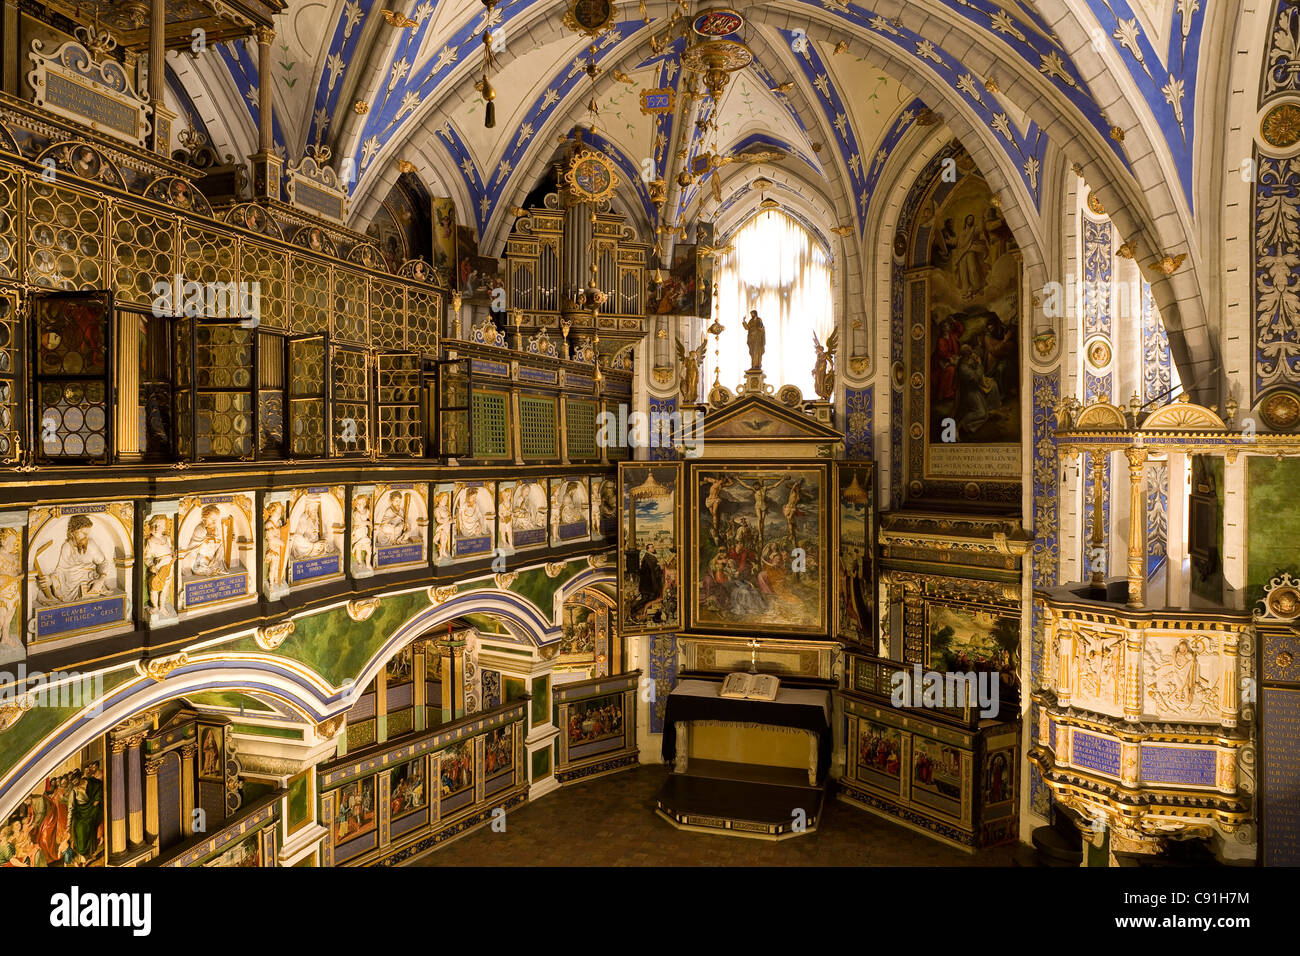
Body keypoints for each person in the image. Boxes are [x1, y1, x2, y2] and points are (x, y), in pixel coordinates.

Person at [38, 514, 111, 605]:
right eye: (83, 533)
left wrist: (101, 579)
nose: (86, 537)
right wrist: (51, 580)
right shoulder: (66, 547)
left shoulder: (90, 545)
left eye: (87, 534)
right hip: (69, 586)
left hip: (88, 581)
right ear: (73, 532)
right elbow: (61, 570)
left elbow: (103, 563)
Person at [182, 504, 229, 577]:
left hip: (212, 557)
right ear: (204, 517)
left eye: (216, 520)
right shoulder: (200, 529)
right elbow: (194, 548)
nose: (214, 522)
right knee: (201, 564)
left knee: (222, 546)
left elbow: (219, 542)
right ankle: (204, 568)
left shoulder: (215, 529)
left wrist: (226, 538)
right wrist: (209, 540)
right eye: (212, 519)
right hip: (200, 559)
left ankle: (214, 566)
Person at [142, 515, 173, 614]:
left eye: (159, 526)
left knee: (165, 588)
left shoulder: (167, 538)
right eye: (153, 525)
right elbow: (147, 557)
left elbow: (170, 549)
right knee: (154, 587)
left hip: (169, 565)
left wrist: (173, 554)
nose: (155, 528)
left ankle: (162, 606)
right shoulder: (151, 541)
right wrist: (151, 565)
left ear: (163, 527)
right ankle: (155, 606)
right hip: (159, 565)